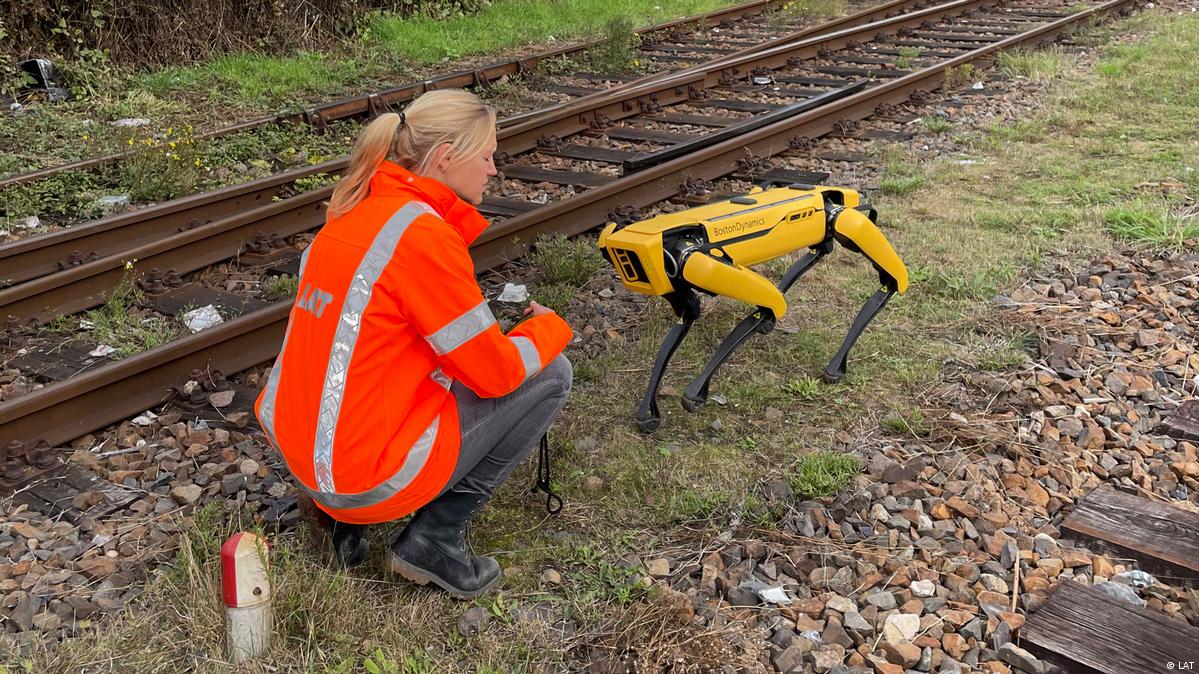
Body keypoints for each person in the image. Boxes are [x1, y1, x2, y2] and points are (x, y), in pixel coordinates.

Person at [255, 89, 574, 599]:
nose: (493, 170)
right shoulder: (423, 236)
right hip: (366, 479)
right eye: (486, 156)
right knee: (553, 372)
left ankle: (335, 525)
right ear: (446, 157)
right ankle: (436, 539)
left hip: (304, 457)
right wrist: (549, 329)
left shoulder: (351, 212)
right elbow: (494, 374)